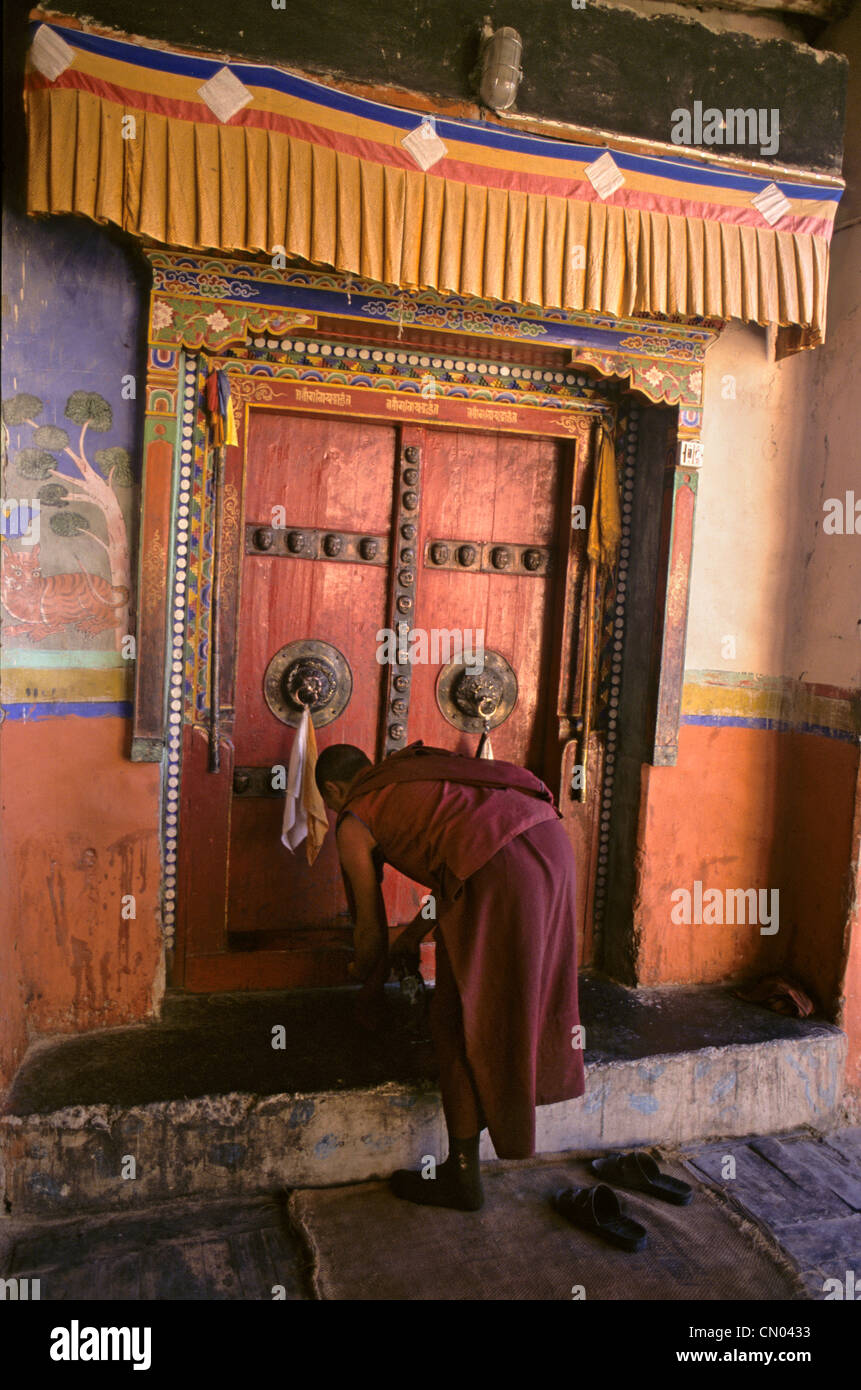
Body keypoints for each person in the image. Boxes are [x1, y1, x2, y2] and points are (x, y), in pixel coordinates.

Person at [316, 740, 586, 1211]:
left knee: (455, 1018)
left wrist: (368, 983)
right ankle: (480, 1123)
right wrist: (415, 935)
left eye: (330, 802)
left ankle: (461, 1178)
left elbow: (369, 925)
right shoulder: (412, 774)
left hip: (504, 870)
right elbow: (459, 865)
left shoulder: (355, 817)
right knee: (510, 995)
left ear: (337, 789)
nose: (336, 811)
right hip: (550, 845)